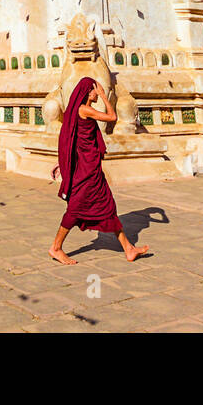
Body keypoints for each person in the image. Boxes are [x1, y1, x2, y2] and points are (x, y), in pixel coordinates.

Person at [49, 76, 149, 265]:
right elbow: (112, 117)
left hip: (91, 168)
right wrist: (104, 96)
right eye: (95, 89)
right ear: (88, 92)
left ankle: (129, 249)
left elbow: (70, 140)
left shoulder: (79, 111)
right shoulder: (84, 110)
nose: (97, 91)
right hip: (85, 172)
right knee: (75, 209)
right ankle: (56, 247)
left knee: (107, 205)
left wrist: (61, 161)